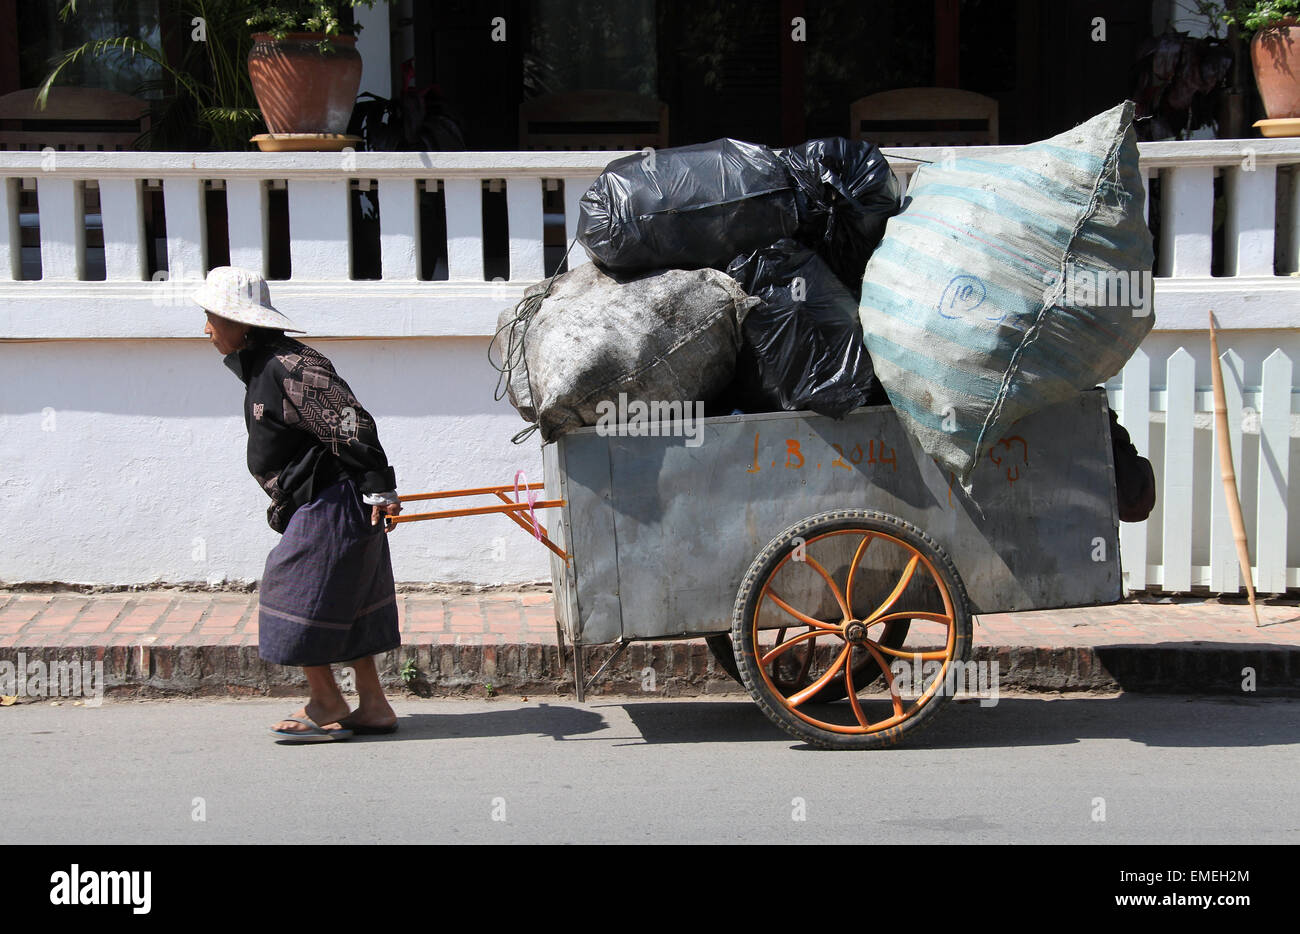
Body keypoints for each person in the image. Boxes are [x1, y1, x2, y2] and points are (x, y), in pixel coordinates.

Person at [195, 266, 403, 743]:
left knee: (291, 589)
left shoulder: (289, 365)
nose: (207, 328)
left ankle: (328, 701)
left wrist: (379, 487)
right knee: (349, 602)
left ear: (241, 323)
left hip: (334, 500)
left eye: (212, 317)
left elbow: (350, 423)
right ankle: (373, 705)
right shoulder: (265, 363)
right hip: (332, 499)